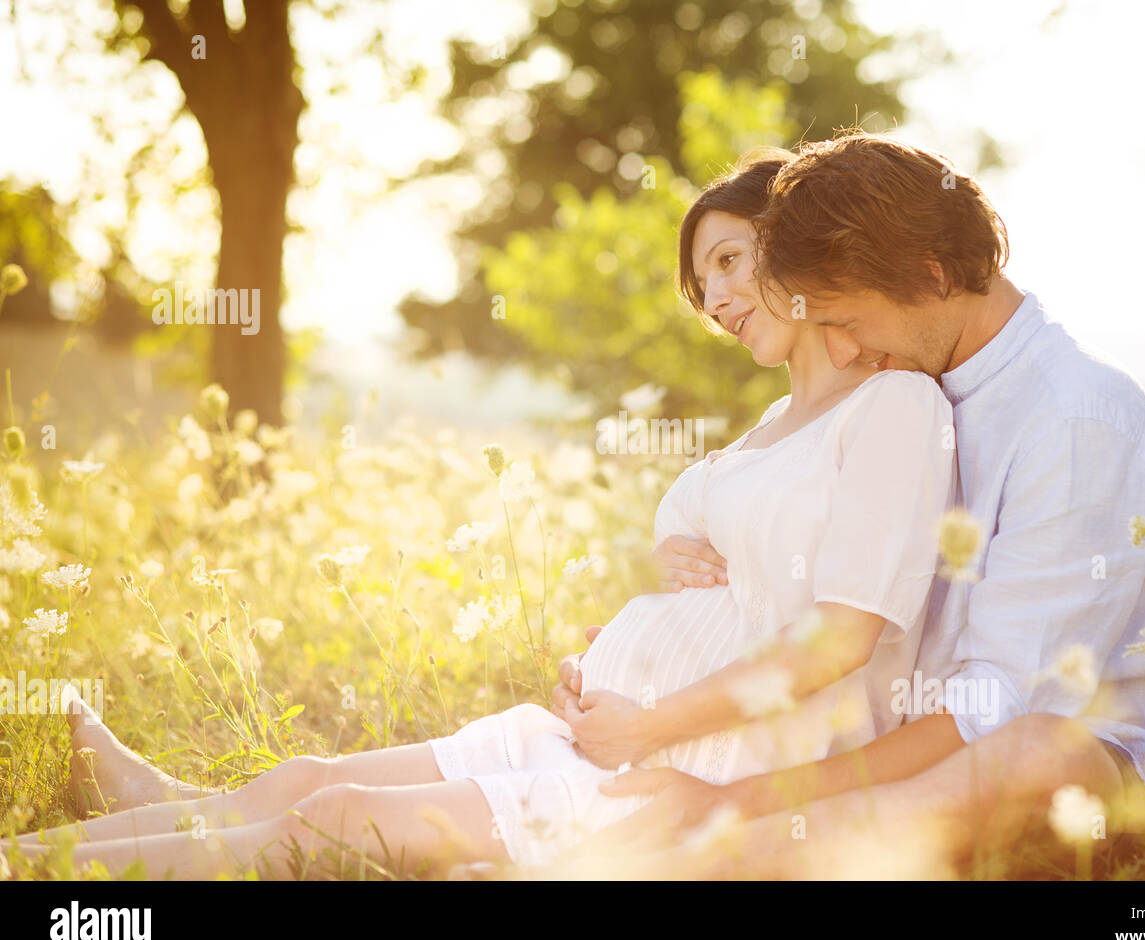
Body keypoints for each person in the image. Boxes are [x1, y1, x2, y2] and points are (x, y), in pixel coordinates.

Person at [9, 152, 956, 879]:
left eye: (728, 262)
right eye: (700, 282)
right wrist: (652, 597)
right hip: (600, 732)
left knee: (325, 821)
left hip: (669, 769)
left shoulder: (896, 408)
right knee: (308, 780)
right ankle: (128, 815)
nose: (712, 300)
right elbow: (708, 544)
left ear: (794, 241)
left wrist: (649, 721)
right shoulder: (770, 423)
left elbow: (837, 641)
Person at [561, 131, 1145, 876]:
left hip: (1081, 784)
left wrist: (738, 800)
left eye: (845, 322)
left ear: (930, 274)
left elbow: (993, 711)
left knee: (1041, 756)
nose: (840, 352)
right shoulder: (914, 389)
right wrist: (653, 646)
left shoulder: (1073, 419)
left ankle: (713, 855)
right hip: (895, 750)